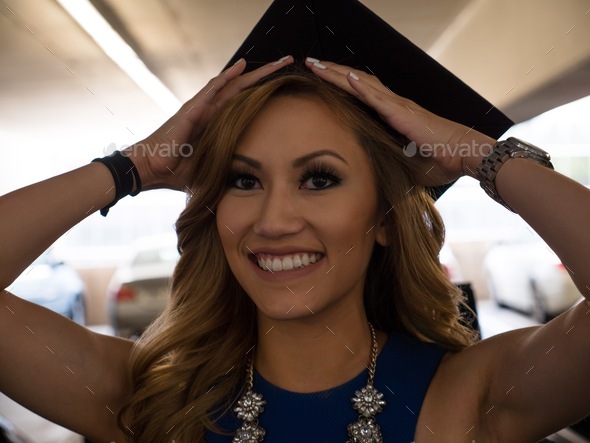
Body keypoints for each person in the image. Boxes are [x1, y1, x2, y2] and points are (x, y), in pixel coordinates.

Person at [1, 55, 589, 443]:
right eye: (244, 180)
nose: (273, 219)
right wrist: (134, 165)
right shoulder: (148, 398)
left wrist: (478, 154)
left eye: (319, 179)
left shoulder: (471, 396)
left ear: (385, 217)